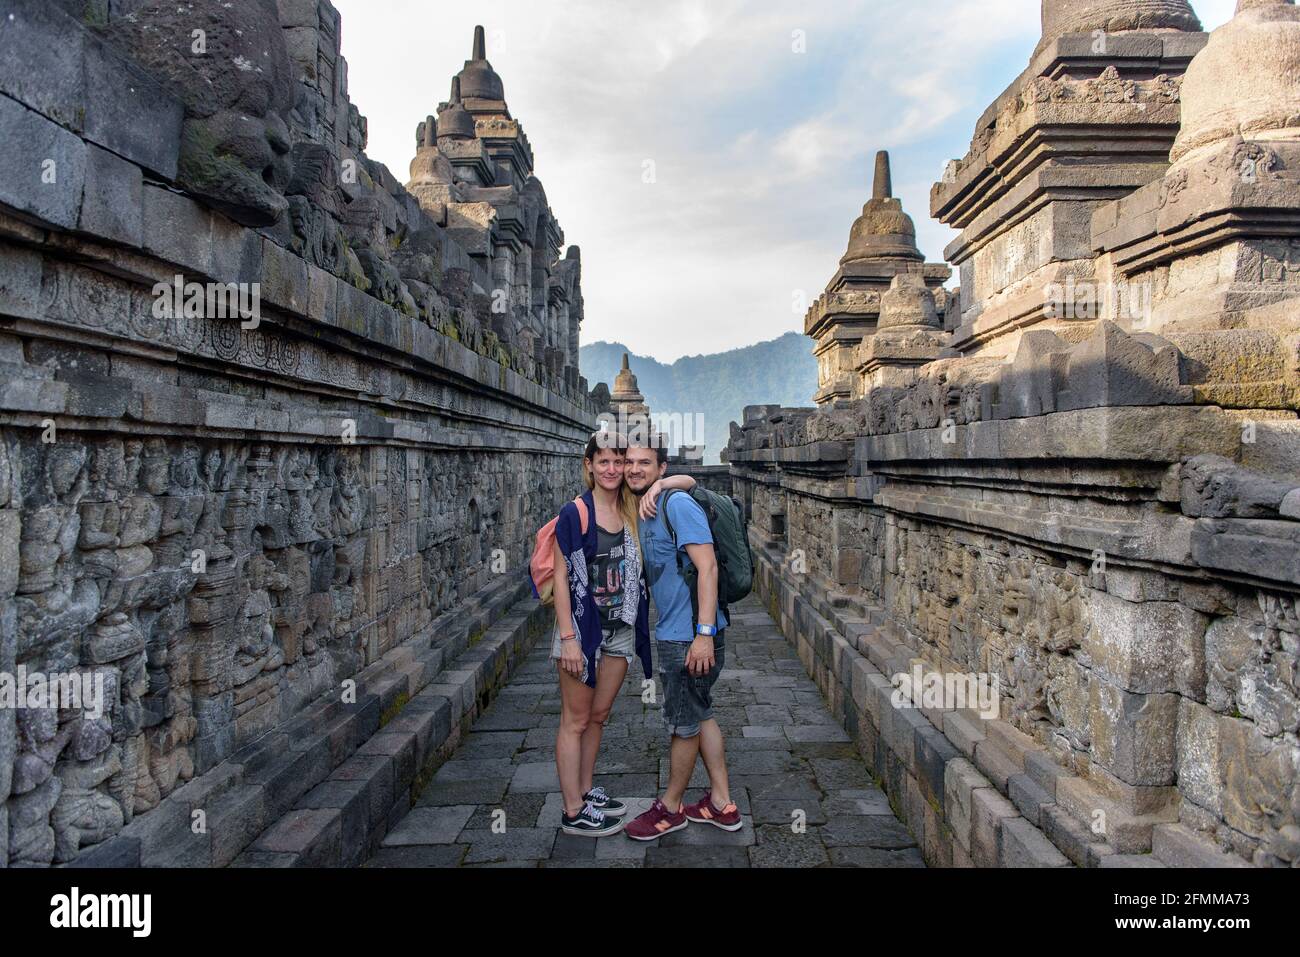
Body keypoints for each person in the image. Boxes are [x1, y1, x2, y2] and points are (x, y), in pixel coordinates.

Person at [549, 432, 697, 837]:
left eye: (620, 462)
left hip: (620, 628)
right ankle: (572, 809)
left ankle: (585, 789)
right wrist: (568, 638)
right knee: (575, 720)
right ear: (590, 466)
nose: (614, 470)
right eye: (605, 462)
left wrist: (664, 482)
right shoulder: (574, 512)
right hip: (581, 630)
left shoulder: (634, 505)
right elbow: (561, 578)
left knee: (598, 716)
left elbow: (691, 484)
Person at [622, 436, 742, 840]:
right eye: (629, 462)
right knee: (700, 710)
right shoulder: (648, 505)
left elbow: (707, 569)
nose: (634, 468)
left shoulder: (676, 506)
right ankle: (722, 803)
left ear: (661, 468)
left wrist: (703, 635)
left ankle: (670, 808)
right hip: (677, 633)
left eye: (645, 463)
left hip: (689, 637)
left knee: (683, 723)